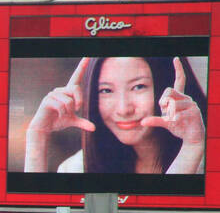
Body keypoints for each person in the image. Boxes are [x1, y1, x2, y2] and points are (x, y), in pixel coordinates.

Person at [23, 56, 206, 176]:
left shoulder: (206, 164)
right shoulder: (77, 168)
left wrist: (192, 147)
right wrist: (37, 136)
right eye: (106, 90)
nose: (123, 109)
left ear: (165, 83)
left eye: (138, 87)